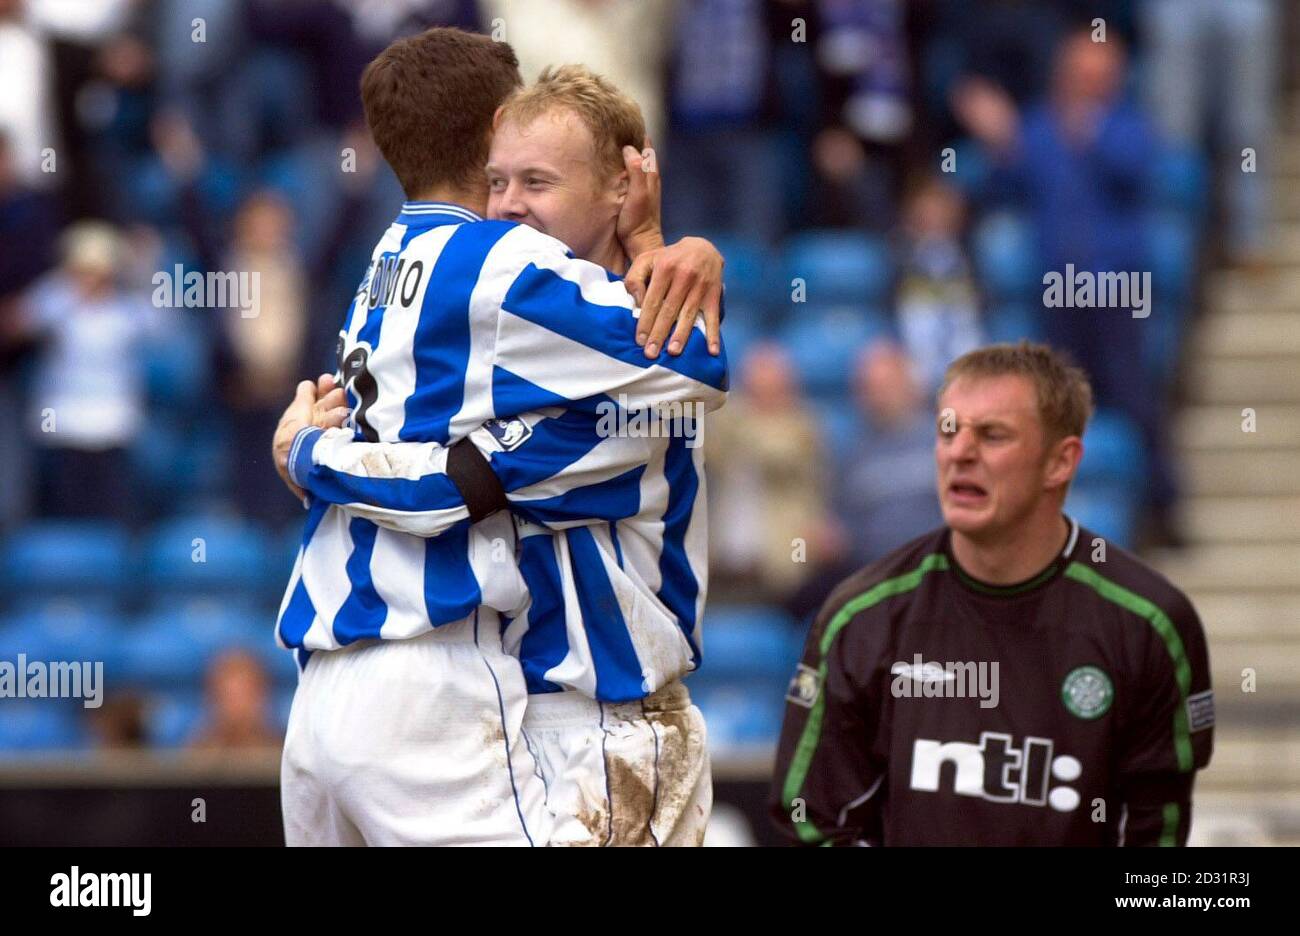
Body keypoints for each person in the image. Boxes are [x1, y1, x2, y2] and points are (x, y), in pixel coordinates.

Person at [269, 30, 726, 846]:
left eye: (538, 180)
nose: (512, 203)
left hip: (599, 719)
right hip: (487, 695)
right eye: (502, 177)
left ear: (623, 189)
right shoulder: (493, 286)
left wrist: (310, 453)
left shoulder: (407, 260)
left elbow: (457, 481)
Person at [771, 341, 1214, 846]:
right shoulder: (861, 616)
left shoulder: (1150, 624)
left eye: (993, 435)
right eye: (948, 431)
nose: (960, 452)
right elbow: (809, 823)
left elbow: (1156, 839)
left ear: (1060, 462)